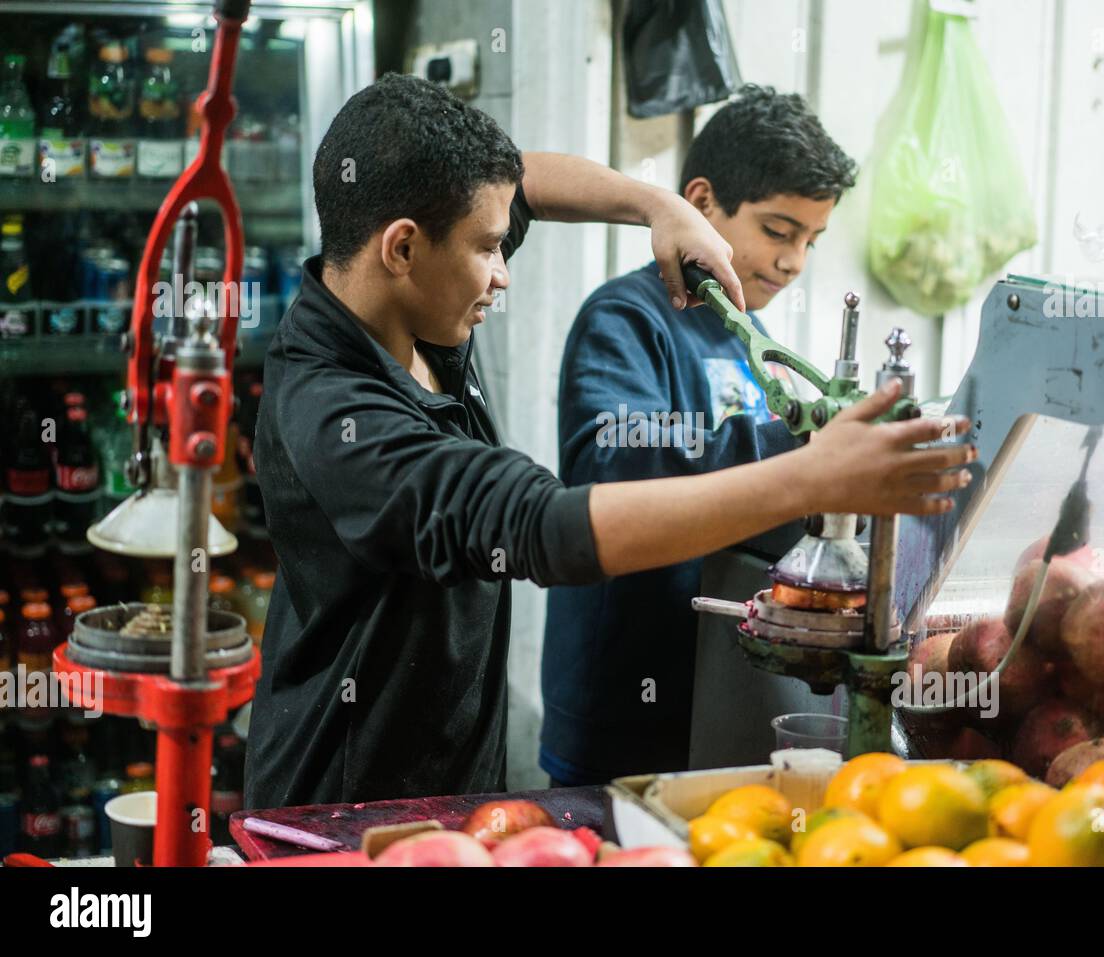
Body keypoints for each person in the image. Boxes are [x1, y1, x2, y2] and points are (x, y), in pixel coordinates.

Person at [244, 74, 972, 809]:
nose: (503, 276)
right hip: (339, 809)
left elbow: (522, 184)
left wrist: (659, 206)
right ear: (402, 248)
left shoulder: (411, 300)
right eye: (490, 249)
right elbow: (539, 524)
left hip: (452, 785)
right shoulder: (337, 418)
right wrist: (812, 477)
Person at [540, 85, 861, 786]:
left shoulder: (756, 340)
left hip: (714, 699)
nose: (793, 262)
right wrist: (804, 454)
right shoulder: (627, 320)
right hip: (622, 703)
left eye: (811, 241)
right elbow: (615, 458)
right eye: (778, 231)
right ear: (702, 201)